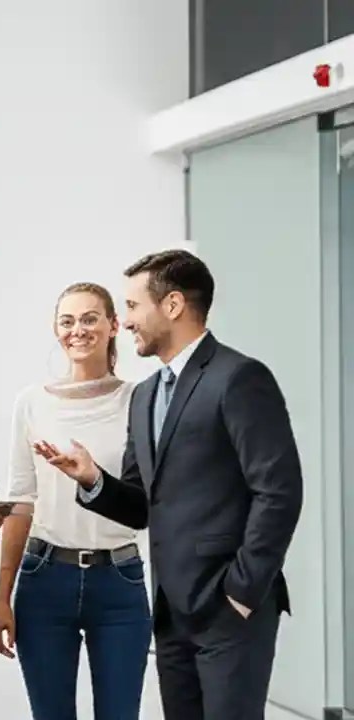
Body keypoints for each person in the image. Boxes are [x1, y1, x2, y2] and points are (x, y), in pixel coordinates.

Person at [33, 249, 303, 720]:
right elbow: (141, 505)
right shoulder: (145, 395)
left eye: (134, 307)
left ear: (173, 305)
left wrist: (241, 591)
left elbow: (278, 491)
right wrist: (93, 479)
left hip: (229, 610)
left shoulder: (239, 378)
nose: (129, 320)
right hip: (171, 614)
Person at [0, 282, 152, 719]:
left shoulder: (140, 400)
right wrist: (2, 598)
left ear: (113, 325)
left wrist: (92, 476)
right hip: (44, 578)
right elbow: (21, 502)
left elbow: (146, 501)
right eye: (67, 320)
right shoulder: (32, 402)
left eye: (90, 318)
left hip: (120, 580)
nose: (77, 329)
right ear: (55, 330)